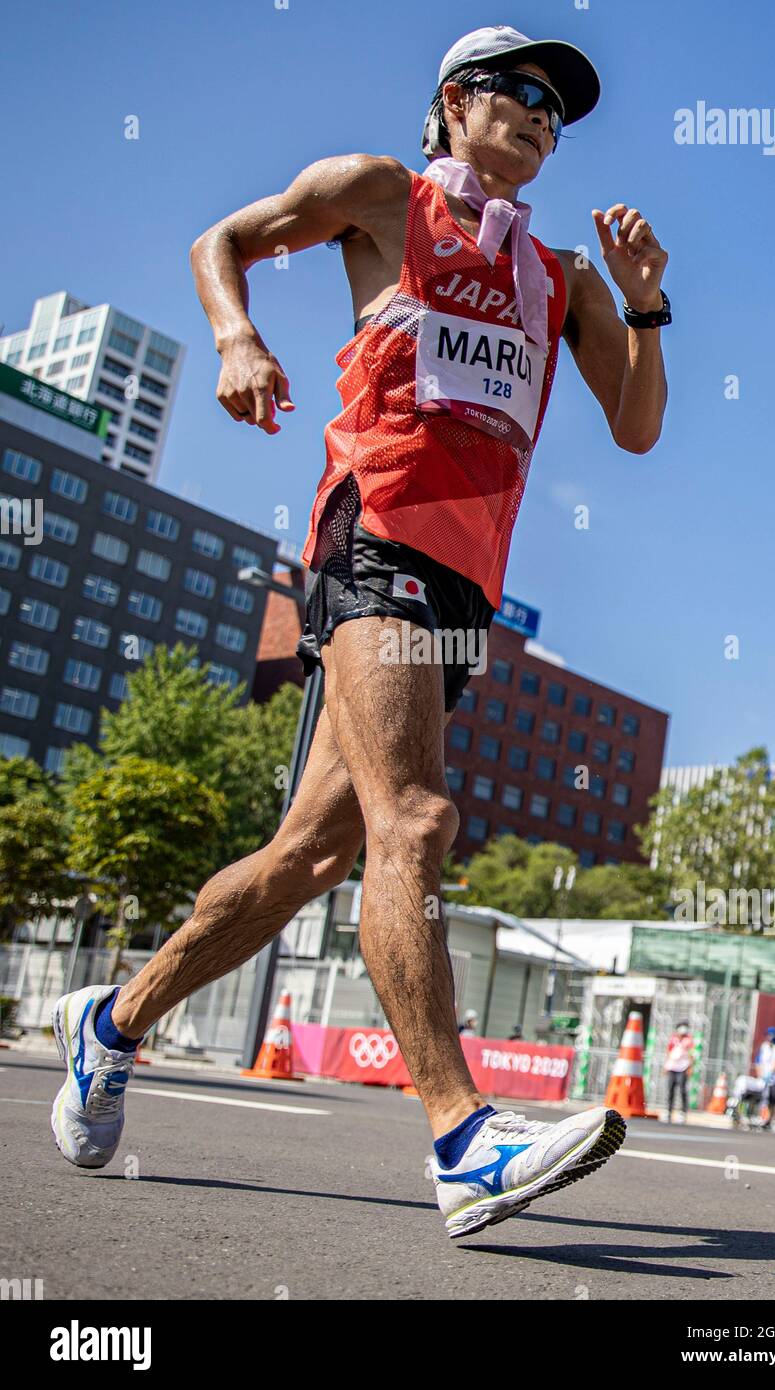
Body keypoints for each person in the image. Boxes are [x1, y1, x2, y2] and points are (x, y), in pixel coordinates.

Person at [49, 23, 669, 1239]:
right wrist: (236, 335)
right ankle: (459, 1136)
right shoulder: (383, 197)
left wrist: (647, 305)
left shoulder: (558, 276)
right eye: (521, 91)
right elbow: (219, 239)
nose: (543, 115)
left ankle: (111, 1020)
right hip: (370, 536)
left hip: (458, 591)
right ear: (451, 101)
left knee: (312, 858)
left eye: (559, 107)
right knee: (417, 820)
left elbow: (635, 424)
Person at [755, 1025, 775, 1130]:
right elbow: (758, 1061)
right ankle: (768, 1120)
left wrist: (770, 1073)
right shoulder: (764, 1046)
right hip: (765, 1079)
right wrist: (761, 1075)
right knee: (767, 1100)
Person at [662, 1021, 694, 1123]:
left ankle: (683, 1112)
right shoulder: (673, 1039)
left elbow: (692, 1054)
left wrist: (690, 1067)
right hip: (672, 1067)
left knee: (682, 1090)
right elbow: (669, 1052)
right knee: (670, 1089)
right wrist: (665, 1066)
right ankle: (669, 1111)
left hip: (683, 1067)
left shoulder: (688, 1040)